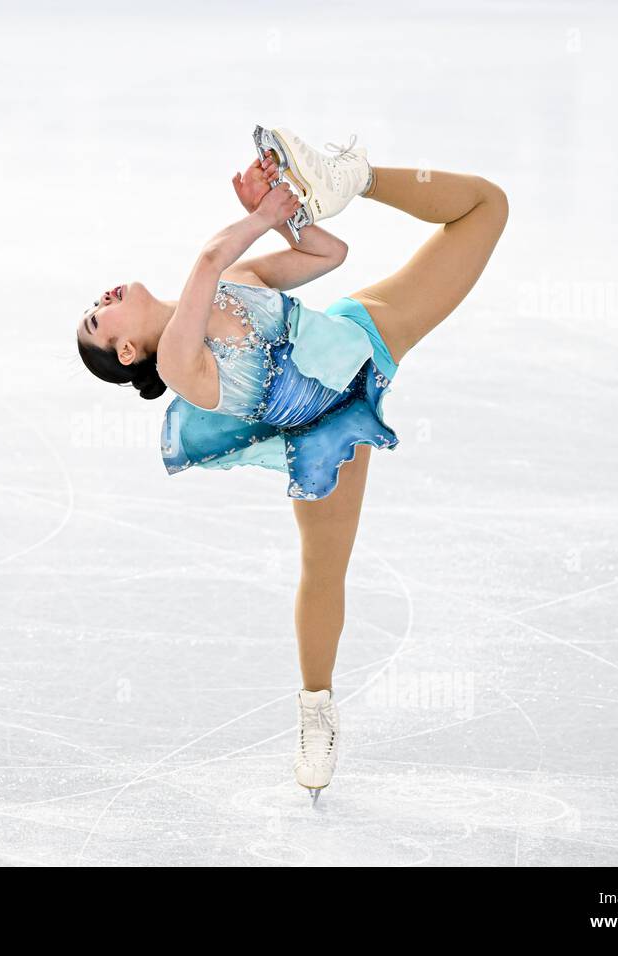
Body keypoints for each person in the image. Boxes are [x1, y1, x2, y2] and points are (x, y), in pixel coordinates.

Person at [75, 130, 508, 800]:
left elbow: (328, 254)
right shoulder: (178, 364)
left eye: (95, 307)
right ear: (129, 350)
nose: (101, 301)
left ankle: (357, 176)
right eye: (98, 321)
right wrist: (261, 213)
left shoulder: (230, 282)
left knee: (486, 206)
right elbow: (211, 253)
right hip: (326, 431)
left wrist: (299, 213)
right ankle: (316, 712)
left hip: (362, 335)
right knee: (324, 571)